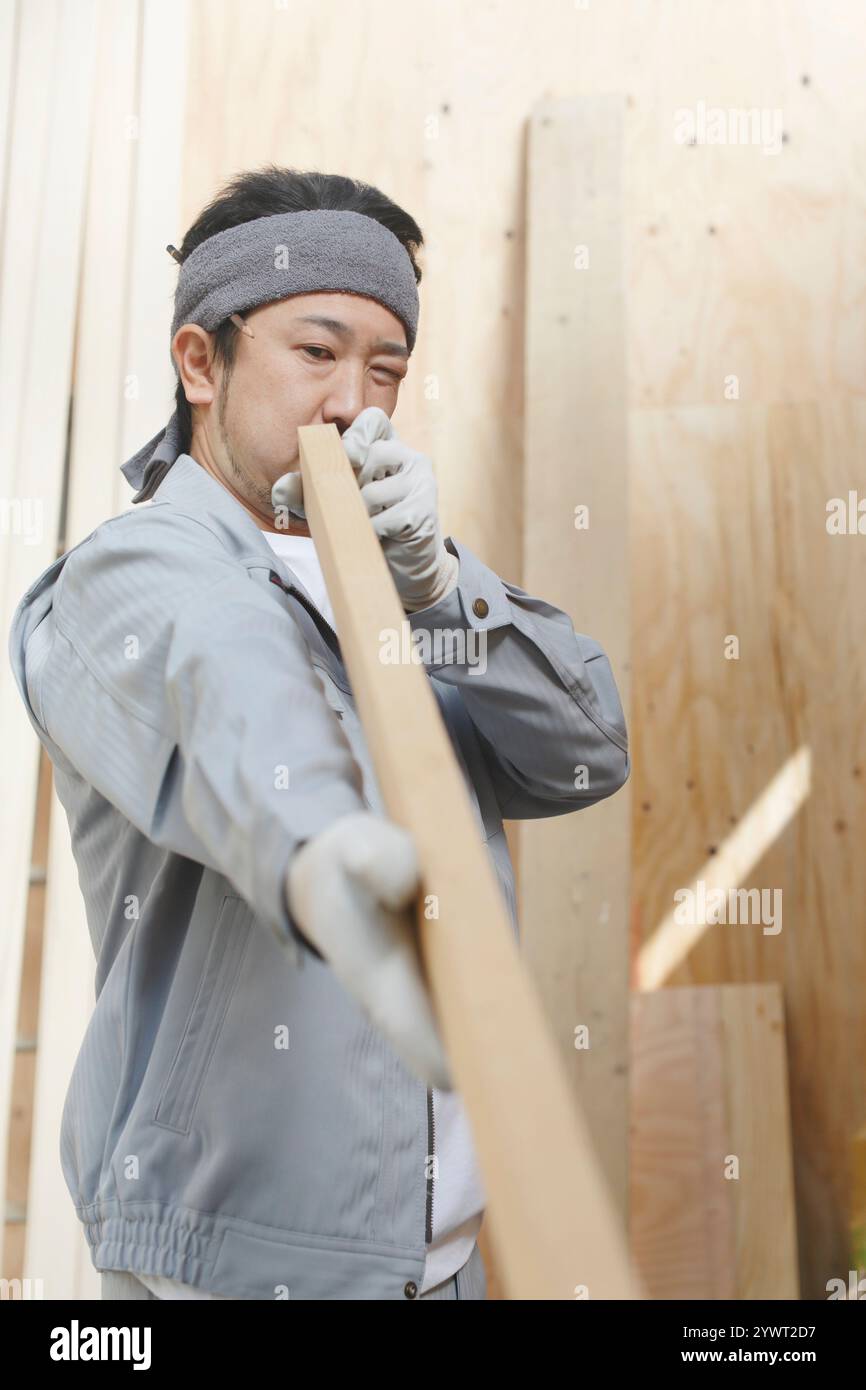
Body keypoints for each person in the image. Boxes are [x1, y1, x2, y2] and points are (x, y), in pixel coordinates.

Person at [8, 166, 630, 1300]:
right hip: (234, 1280)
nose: (352, 403)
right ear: (201, 364)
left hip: (445, 1267)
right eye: (316, 352)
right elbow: (228, 680)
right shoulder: (131, 572)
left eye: (385, 369)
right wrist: (323, 850)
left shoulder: (403, 594)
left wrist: (441, 588)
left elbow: (586, 748)